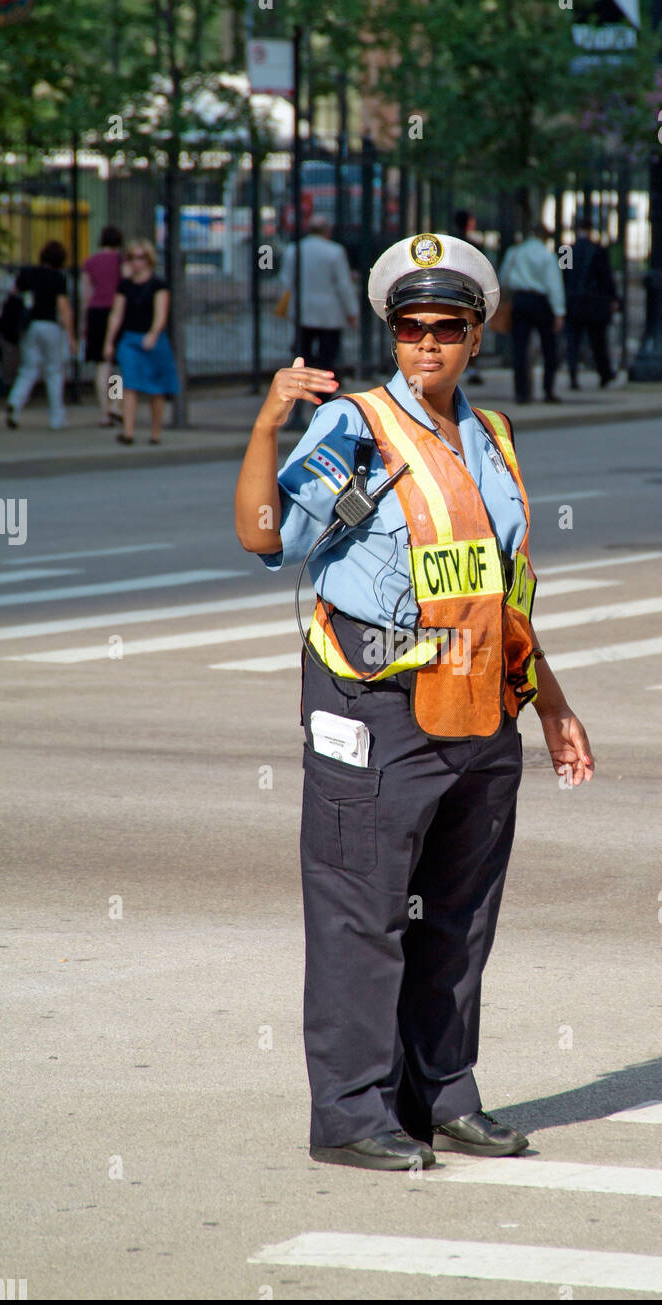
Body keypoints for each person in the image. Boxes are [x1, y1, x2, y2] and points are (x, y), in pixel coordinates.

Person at [234, 231, 595, 1172]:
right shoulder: (354, 427)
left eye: (447, 327)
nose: (426, 343)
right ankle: (352, 1113)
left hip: (481, 701)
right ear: (392, 334)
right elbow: (263, 537)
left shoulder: (495, 437)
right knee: (363, 908)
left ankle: (441, 1097)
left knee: (459, 914)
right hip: (375, 700)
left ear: (480, 336)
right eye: (410, 327)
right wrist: (268, 424)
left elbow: (506, 593)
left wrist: (551, 705)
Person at [280, 214, 359, 431]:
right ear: (327, 230)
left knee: (301, 357)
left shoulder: (293, 250)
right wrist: (352, 311)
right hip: (329, 314)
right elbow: (343, 284)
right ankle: (324, 401)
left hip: (302, 312)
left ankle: (299, 399)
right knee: (328, 358)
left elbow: (286, 280)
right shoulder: (334, 251)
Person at [102, 239, 179, 445]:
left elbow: (161, 314)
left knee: (156, 388)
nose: (136, 262)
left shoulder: (158, 285)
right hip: (130, 339)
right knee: (129, 385)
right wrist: (109, 342)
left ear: (148, 260)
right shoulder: (125, 285)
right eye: (131, 258)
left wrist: (153, 335)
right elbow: (116, 315)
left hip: (153, 340)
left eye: (140, 258)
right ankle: (128, 432)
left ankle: (156, 433)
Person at [5, 240, 76, 431]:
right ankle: (57, 417)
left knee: (28, 368)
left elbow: (14, 296)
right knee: (54, 371)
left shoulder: (27, 274)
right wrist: (71, 337)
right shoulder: (58, 278)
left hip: (28, 325)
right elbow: (63, 308)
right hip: (50, 325)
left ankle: (15, 402)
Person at [498, 222, 566, 404]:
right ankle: (548, 390)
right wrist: (559, 312)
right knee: (548, 347)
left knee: (520, 348)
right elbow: (554, 284)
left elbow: (504, 277)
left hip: (520, 300)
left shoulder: (516, 252)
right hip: (541, 302)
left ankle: (521, 392)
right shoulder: (547, 255)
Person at [563, 216, 619, 390]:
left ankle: (573, 374)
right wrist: (613, 297)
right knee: (598, 341)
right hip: (594, 302)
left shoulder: (567, 250)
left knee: (573, 341)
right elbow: (606, 278)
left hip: (573, 301)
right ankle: (604, 373)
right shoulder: (598, 250)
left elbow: (563, 276)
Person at [81, 225, 124, 426]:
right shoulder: (120, 261)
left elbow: (86, 294)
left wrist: (83, 321)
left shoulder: (90, 262)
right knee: (117, 364)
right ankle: (116, 404)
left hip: (95, 313)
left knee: (102, 364)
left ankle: (104, 412)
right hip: (116, 311)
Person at [453, 209, 485, 386]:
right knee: (470, 330)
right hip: (468, 295)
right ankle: (472, 368)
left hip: (453, 293)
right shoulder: (472, 246)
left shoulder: (450, 243)